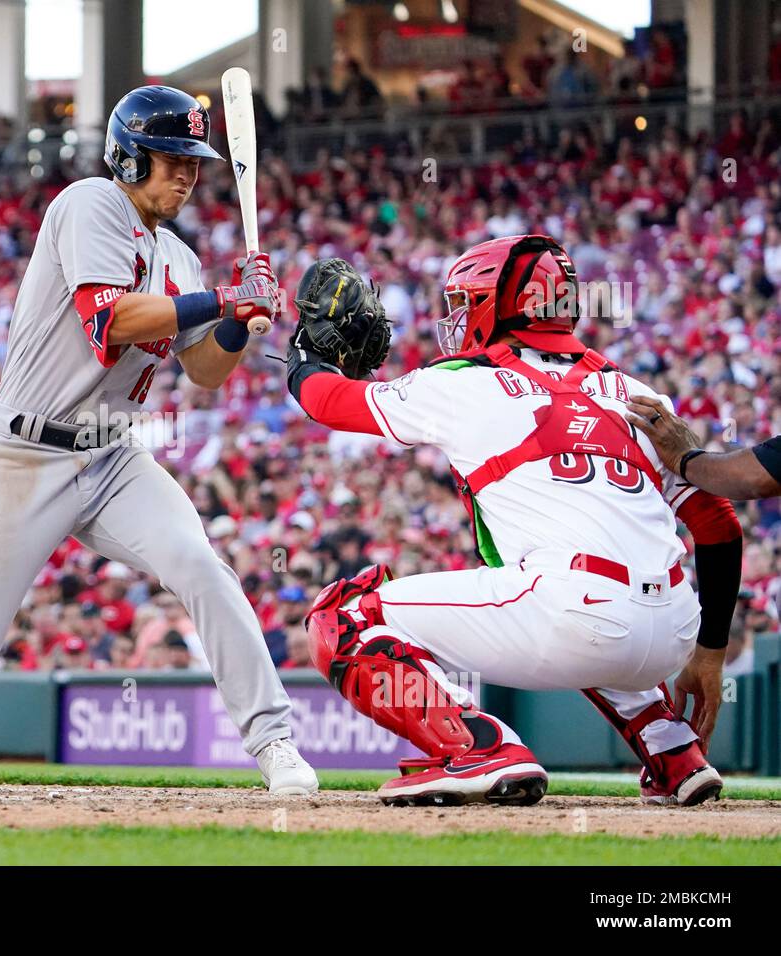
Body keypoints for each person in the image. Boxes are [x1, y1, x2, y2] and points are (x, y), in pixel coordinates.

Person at [0, 86, 318, 794]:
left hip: (112, 454)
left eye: (193, 162)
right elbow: (112, 320)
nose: (185, 174)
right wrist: (223, 299)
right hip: (25, 454)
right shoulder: (89, 203)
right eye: (169, 158)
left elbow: (205, 371)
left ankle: (275, 742)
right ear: (127, 156)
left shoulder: (179, 258)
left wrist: (242, 323)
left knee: (200, 565)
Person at [284, 237, 741, 806]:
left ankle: (478, 746)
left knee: (342, 614)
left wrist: (303, 356)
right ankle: (672, 749)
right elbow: (718, 522)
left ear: (493, 304)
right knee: (585, 596)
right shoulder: (635, 392)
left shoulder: (463, 381)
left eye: (462, 302)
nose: (454, 317)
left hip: (575, 612)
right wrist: (709, 651)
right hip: (673, 628)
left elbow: (330, 402)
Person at [625, 396, 781, 500]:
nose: (743, 414)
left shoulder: (760, 426)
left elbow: (755, 476)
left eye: (746, 409)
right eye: (739, 409)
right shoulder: (730, 423)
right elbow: (730, 445)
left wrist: (684, 457)